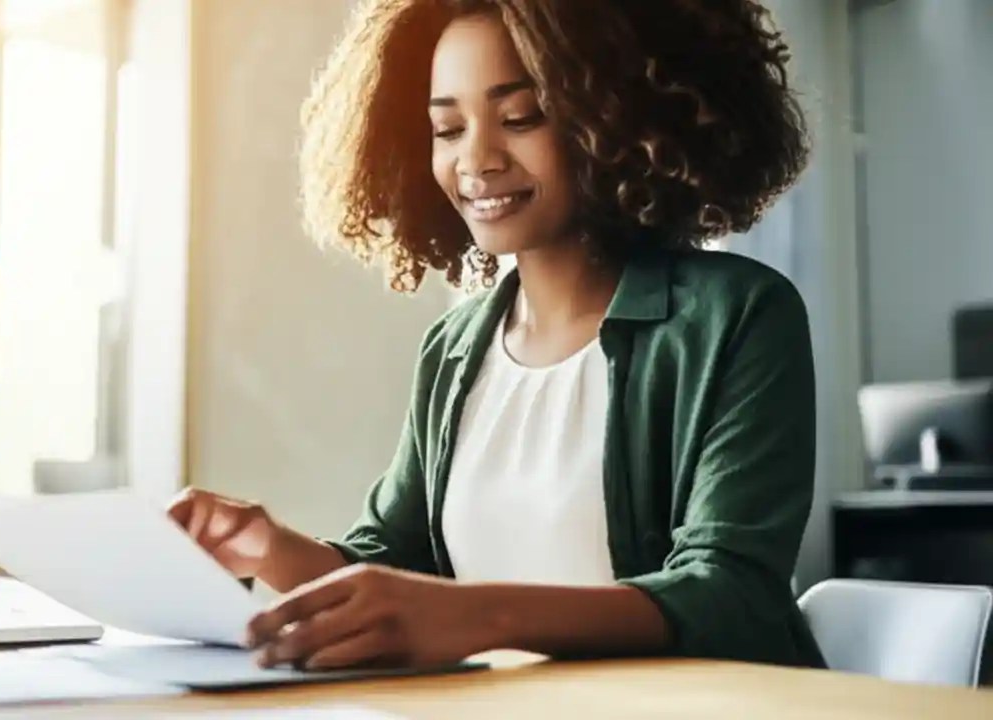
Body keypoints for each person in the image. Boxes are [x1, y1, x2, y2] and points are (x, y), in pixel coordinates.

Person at [168, 0, 824, 670]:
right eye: (446, 128)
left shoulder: (737, 315)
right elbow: (393, 561)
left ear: (619, 118)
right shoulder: (455, 348)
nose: (475, 158)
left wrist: (479, 615)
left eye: (520, 118)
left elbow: (732, 596)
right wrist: (271, 550)